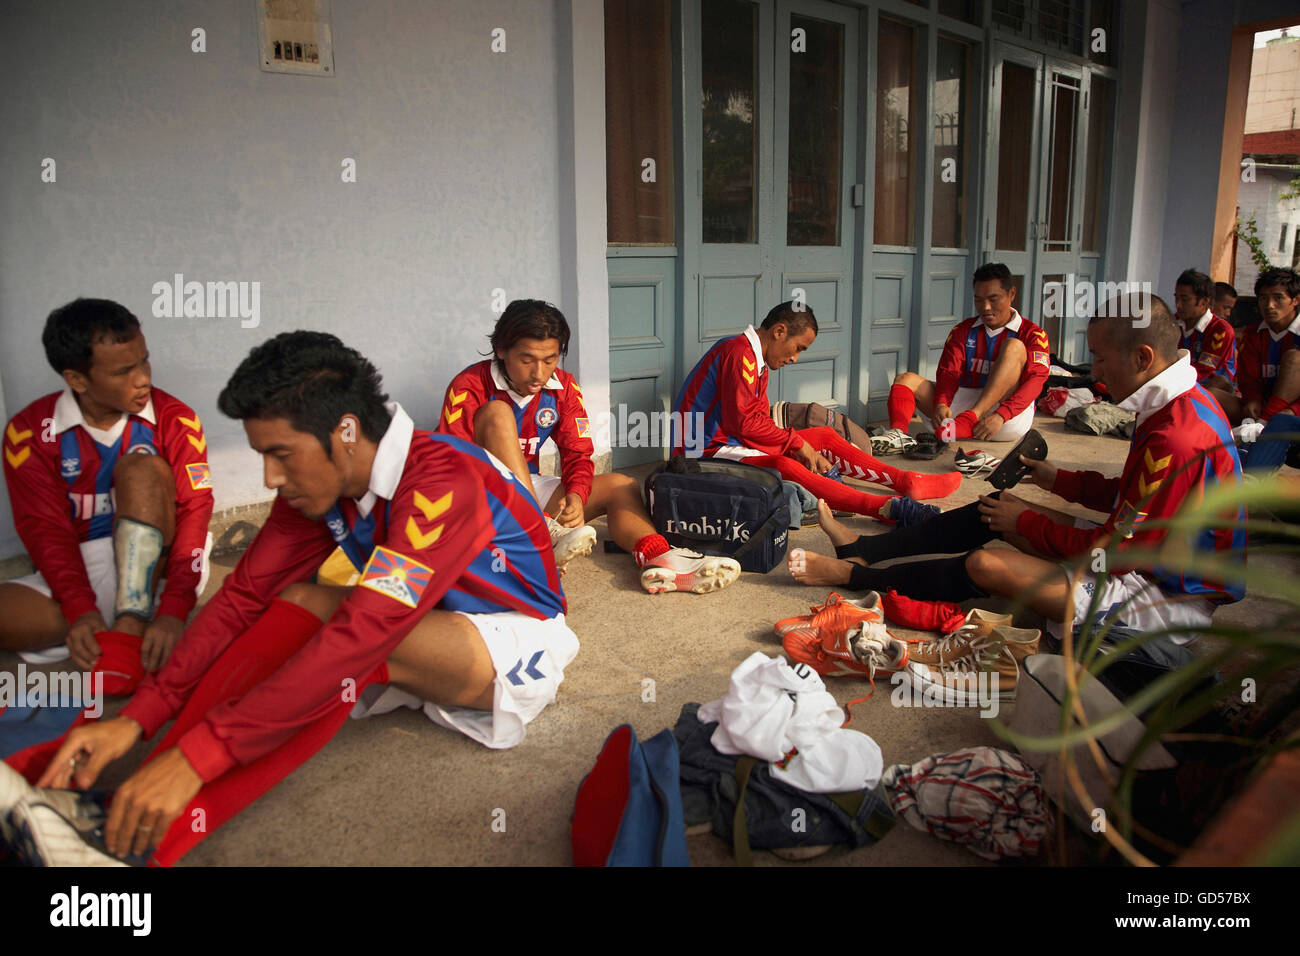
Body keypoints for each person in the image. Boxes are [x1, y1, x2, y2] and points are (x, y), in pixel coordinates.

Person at [2, 332, 577, 865]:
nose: (272, 478)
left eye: (281, 454)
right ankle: (117, 805)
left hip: (518, 645)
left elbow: (358, 639)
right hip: (429, 628)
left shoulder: (443, 481)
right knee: (299, 602)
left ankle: (132, 845)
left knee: (340, 632)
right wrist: (141, 717)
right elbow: (240, 602)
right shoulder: (322, 485)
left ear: (346, 432)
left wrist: (199, 755)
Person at [789, 294, 1245, 690]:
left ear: (1143, 358)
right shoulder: (1173, 404)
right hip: (1140, 559)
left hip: (1163, 599)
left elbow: (1114, 553)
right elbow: (1130, 498)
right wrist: (1056, 481)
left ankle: (854, 578)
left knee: (987, 563)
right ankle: (861, 547)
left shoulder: (1176, 433)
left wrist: (1028, 525)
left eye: (1101, 359)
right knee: (995, 508)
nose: (1097, 374)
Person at [438, 299, 740, 595]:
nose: (539, 374)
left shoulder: (563, 387)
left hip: (524, 489)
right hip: (477, 496)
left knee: (620, 485)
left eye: (550, 360)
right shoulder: (470, 385)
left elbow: (578, 454)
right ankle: (536, 538)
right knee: (498, 412)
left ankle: (660, 558)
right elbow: (453, 466)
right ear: (502, 350)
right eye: (527, 360)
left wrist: (575, 495)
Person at [0, 299, 213, 681]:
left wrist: (174, 609)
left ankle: (132, 628)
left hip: (161, 567)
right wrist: (80, 609)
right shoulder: (29, 432)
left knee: (141, 467)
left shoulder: (175, 419)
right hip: (78, 570)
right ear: (78, 380)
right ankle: (102, 628)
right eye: (123, 371)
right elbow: (44, 529)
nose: (143, 378)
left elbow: (196, 512)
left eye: (144, 361)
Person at [670, 301, 960, 524]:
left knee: (821, 435)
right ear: (779, 331)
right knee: (786, 464)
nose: (795, 358)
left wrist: (798, 444)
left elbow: (753, 422)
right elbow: (743, 423)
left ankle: (904, 480)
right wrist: (795, 445)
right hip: (702, 455)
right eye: (798, 348)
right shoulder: (739, 354)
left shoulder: (757, 360)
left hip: (730, 444)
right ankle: (885, 509)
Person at [876, 263, 1050, 452]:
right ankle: (898, 435)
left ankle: (970, 420)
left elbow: (1036, 381)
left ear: (1012, 294)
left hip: (1004, 418)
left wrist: (1002, 415)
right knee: (906, 380)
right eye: (978, 300)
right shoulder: (963, 330)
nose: (985, 307)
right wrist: (941, 404)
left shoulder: (1033, 334)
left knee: (1014, 347)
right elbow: (949, 373)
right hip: (959, 417)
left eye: (994, 299)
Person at [1209, 267, 1300, 427]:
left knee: (1295, 358)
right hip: (1261, 412)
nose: (1270, 305)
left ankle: (1260, 431)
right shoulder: (1253, 334)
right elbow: (1247, 378)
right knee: (1210, 395)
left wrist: (1292, 411)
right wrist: (1253, 399)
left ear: (1295, 300)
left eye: (1278, 298)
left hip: (1291, 413)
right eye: (1263, 298)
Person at [1173, 268, 1236, 391]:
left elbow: (1204, 370)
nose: (1178, 304)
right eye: (1176, 298)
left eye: (1185, 299)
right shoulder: (1171, 322)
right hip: (1178, 384)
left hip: (1209, 388)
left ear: (1204, 301)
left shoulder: (1220, 330)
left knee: (1218, 383)